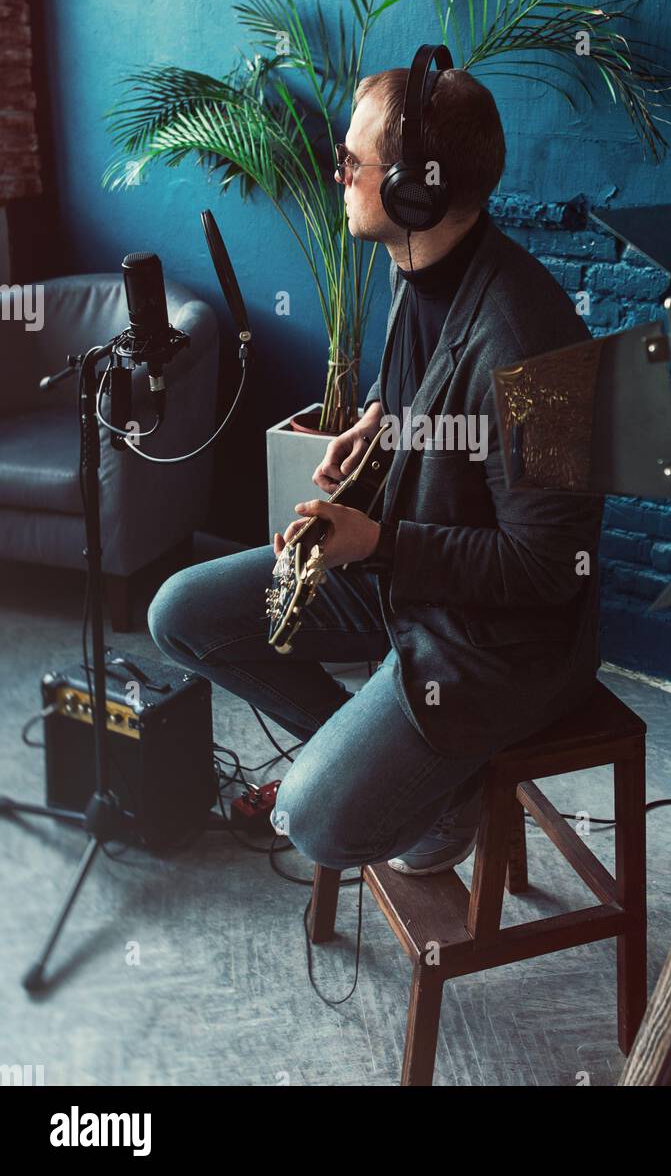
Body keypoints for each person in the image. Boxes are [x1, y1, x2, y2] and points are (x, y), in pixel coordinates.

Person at [148, 58, 603, 875]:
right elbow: (434, 395)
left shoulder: (535, 348)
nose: (338, 174)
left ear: (411, 192)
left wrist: (376, 541)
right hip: (409, 586)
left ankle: (422, 777)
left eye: (351, 163)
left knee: (315, 823)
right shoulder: (417, 264)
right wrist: (379, 424)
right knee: (182, 612)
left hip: (496, 643)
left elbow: (547, 569)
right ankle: (416, 769)